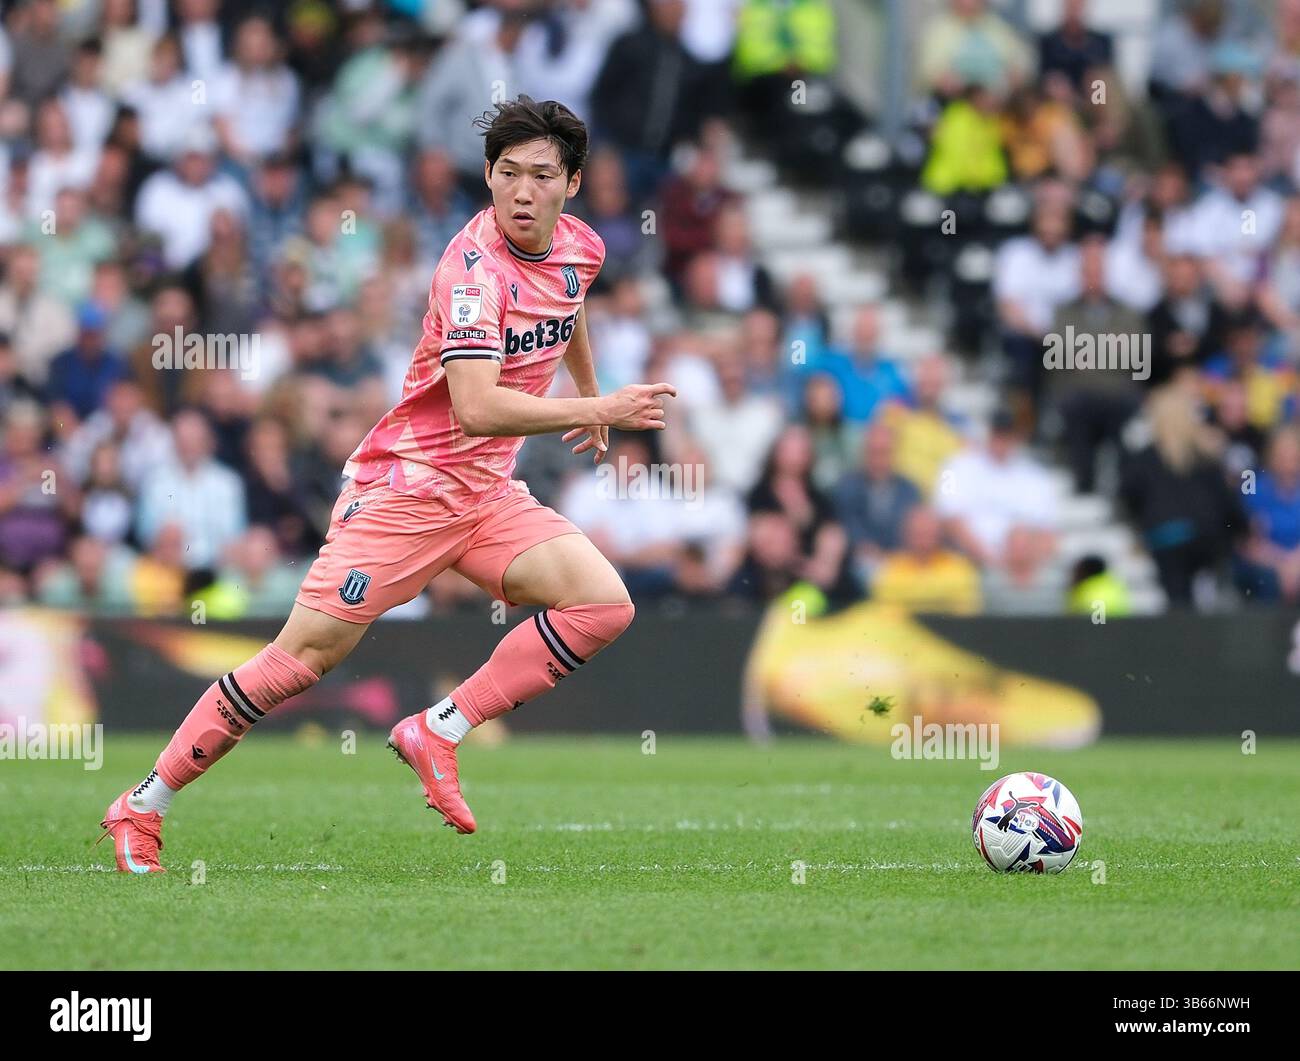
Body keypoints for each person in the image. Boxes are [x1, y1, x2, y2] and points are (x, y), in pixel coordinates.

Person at [98, 97, 676, 873]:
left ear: (572, 183)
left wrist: (592, 390)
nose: (523, 192)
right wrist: (596, 405)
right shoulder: (470, 272)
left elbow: (567, 310)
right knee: (298, 662)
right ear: (487, 177)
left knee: (604, 602)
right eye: (508, 175)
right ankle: (142, 803)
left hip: (485, 494)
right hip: (410, 487)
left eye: (542, 175)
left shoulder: (581, 246)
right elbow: (473, 408)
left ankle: (438, 726)